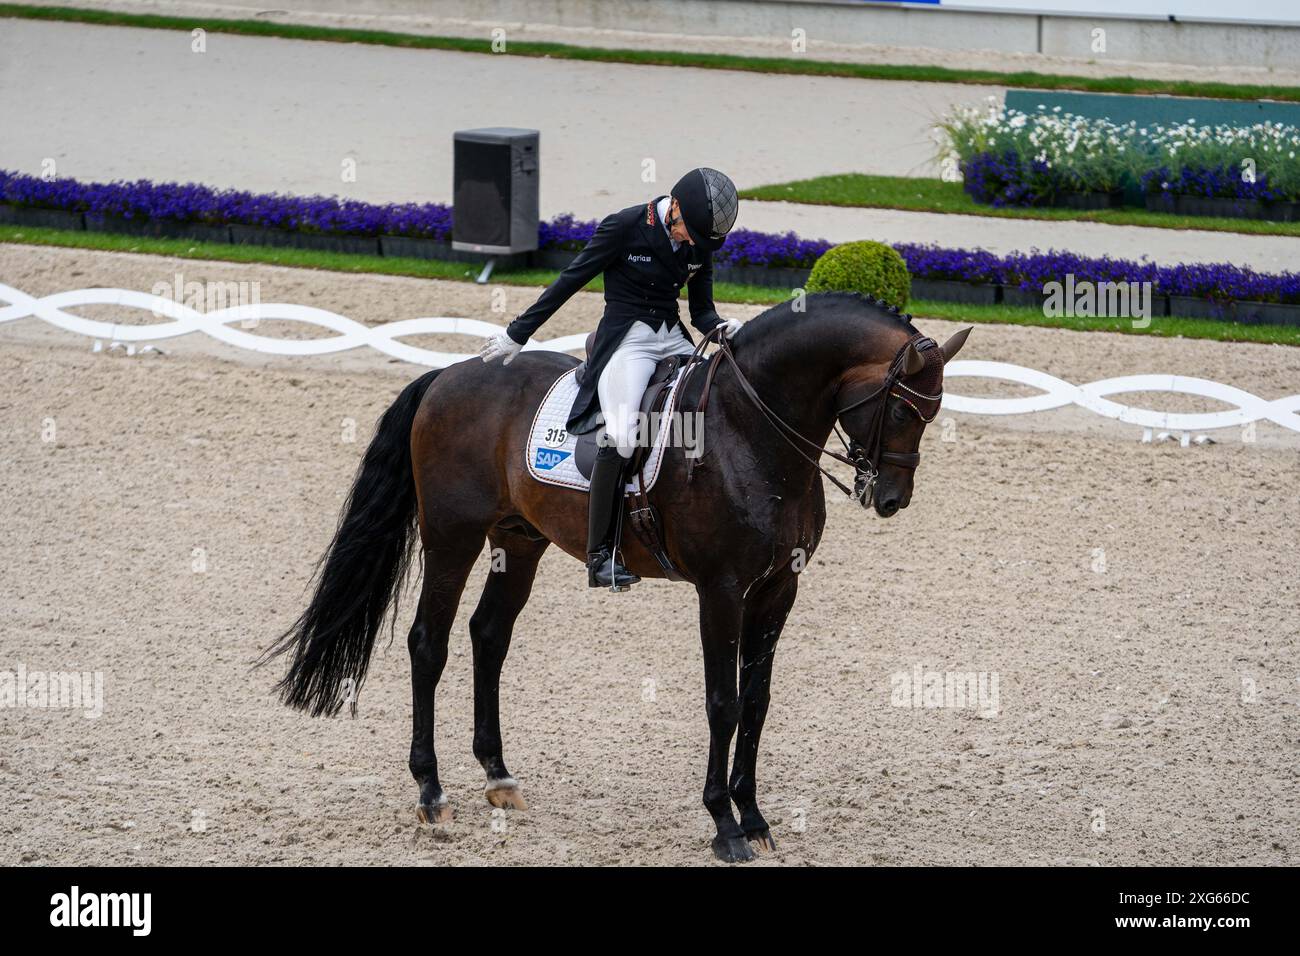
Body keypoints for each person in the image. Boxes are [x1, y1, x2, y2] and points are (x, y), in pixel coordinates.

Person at [481, 167, 743, 589]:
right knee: (621, 436)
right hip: (627, 341)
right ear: (673, 207)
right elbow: (571, 280)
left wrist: (722, 328)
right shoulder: (625, 226)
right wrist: (518, 333)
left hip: (671, 337)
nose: (692, 242)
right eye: (688, 232)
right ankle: (600, 555)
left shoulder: (696, 241)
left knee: (707, 406)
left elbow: (701, 312)